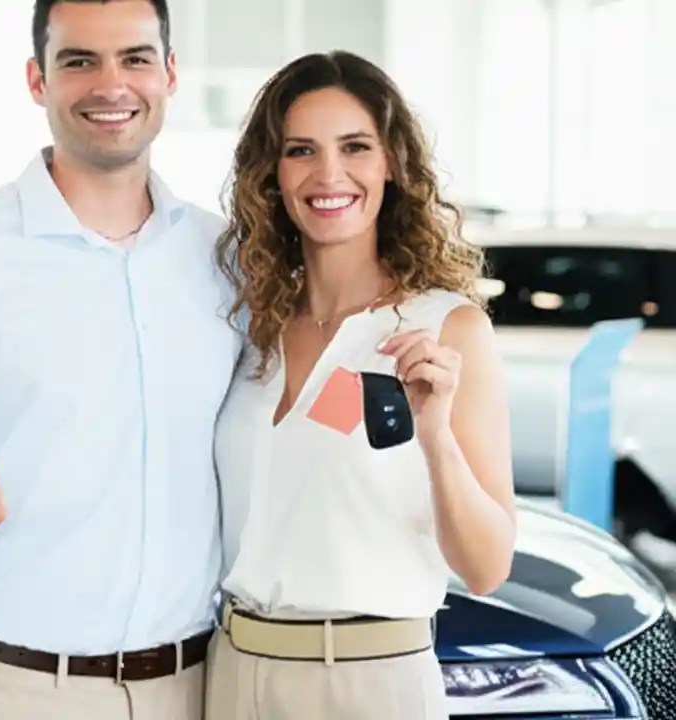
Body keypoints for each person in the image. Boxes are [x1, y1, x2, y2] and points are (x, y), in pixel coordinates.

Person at [0, 1, 240, 718]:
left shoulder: (224, 259)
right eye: (79, 61)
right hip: (25, 690)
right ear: (38, 80)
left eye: (134, 58)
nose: (111, 85)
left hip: (197, 687)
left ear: (169, 73)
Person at [205, 50, 517, 719]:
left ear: (392, 164)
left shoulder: (447, 328)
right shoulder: (250, 328)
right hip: (232, 671)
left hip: (370, 682)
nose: (328, 174)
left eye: (355, 147)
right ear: (271, 174)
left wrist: (435, 438)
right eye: (301, 150)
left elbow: (488, 567)